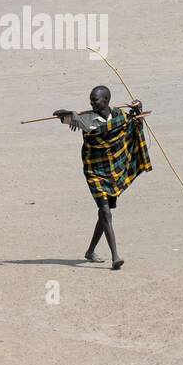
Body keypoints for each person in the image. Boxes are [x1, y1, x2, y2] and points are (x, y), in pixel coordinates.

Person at [53, 86, 150, 270]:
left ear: (106, 100)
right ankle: (115, 256)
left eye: (95, 100)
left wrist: (138, 107)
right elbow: (57, 113)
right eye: (90, 100)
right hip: (94, 170)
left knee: (103, 214)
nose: (92, 103)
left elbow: (136, 123)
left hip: (113, 171)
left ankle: (90, 251)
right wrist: (70, 113)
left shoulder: (119, 115)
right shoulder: (84, 118)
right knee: (106, 212)